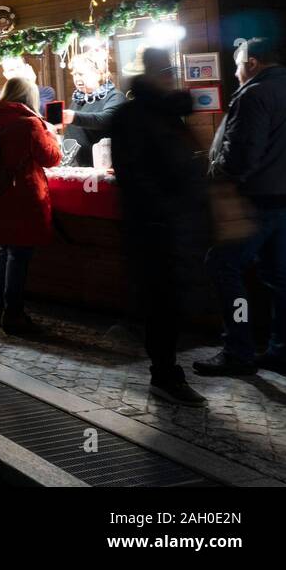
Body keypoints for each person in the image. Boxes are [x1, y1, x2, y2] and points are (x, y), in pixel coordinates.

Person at [109, 48, 210, 405]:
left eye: (172, 69)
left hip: (175, 223)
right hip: (156, 226)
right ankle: (164, 374)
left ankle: (165, 369)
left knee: (171, 299)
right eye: (165, 69)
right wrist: (167, 208)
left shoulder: (168, 113)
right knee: (162, 300)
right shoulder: (133, 116)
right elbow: (137, 176)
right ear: (151, 72)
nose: (171, 75)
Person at [196, 37, 286, 378]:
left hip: (254, 201)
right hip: (284, 201)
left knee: (224, 268)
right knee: (282, 278)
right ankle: (283, 350)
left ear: (252, 63)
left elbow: (242, 155)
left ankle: (239, 349)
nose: (235, 73)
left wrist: (216, 175)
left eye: (237, 65)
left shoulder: (255, 94)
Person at [0, 77, 63, 337]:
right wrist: (52, 134)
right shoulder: (30, 123)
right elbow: (51, 158)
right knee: (19, 254)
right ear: (30, 97)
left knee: (4, 251)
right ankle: (14, 313)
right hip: (22, 197)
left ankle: (1, 309)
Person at [61, 54, 125, 166]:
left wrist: (73, 117)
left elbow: (106, 120)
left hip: (103, 168)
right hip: (76, 168)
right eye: (74, 74)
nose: (76, 78)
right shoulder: (78, 99)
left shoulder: (115, 96)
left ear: (98, 74)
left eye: (81, 74)